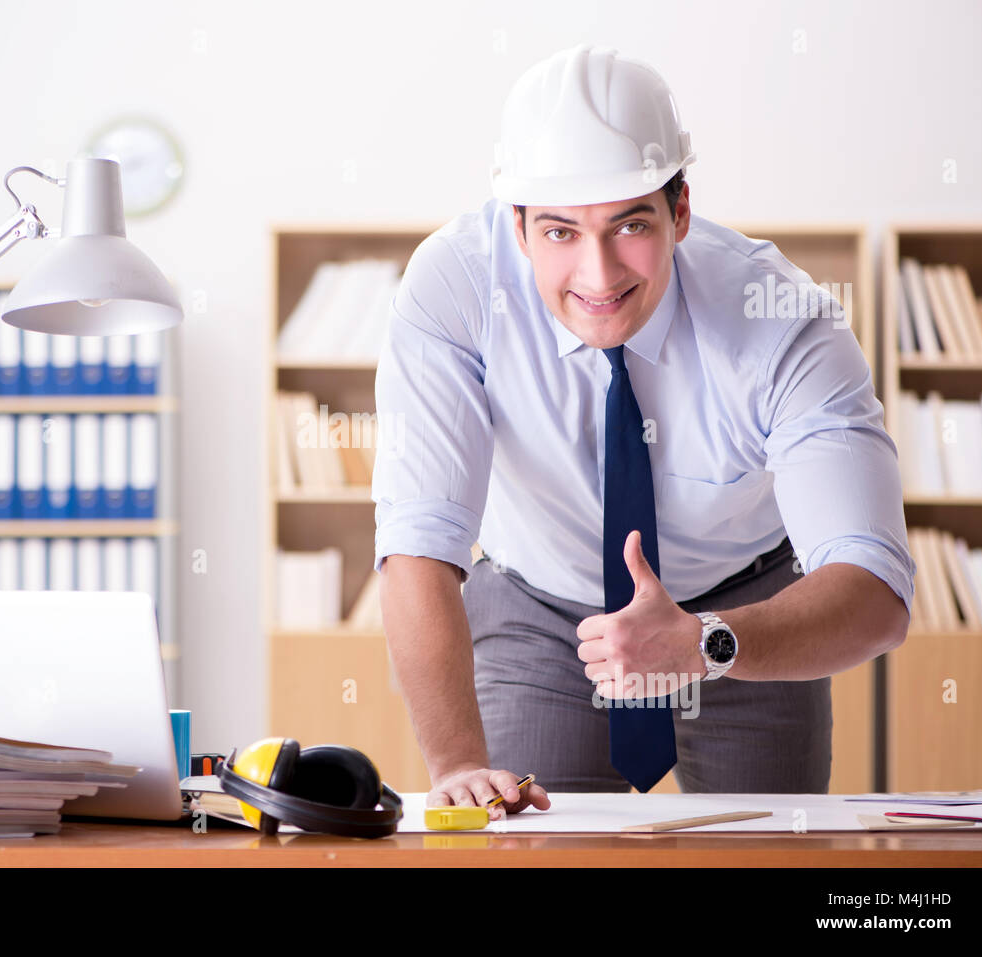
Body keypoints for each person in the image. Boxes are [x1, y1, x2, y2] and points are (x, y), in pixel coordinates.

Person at [371, 44, 915, 819]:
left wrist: (705, 641)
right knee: (532, 847)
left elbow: (876, 588)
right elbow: (419, 541)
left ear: (680, 210)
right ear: (517, 226)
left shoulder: (782, 320)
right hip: (539, 606)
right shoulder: (452, 290)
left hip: (742, 606)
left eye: (630, 224)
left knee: (766, 855)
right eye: (560, 232)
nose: (598, 276)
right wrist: (458, 764)